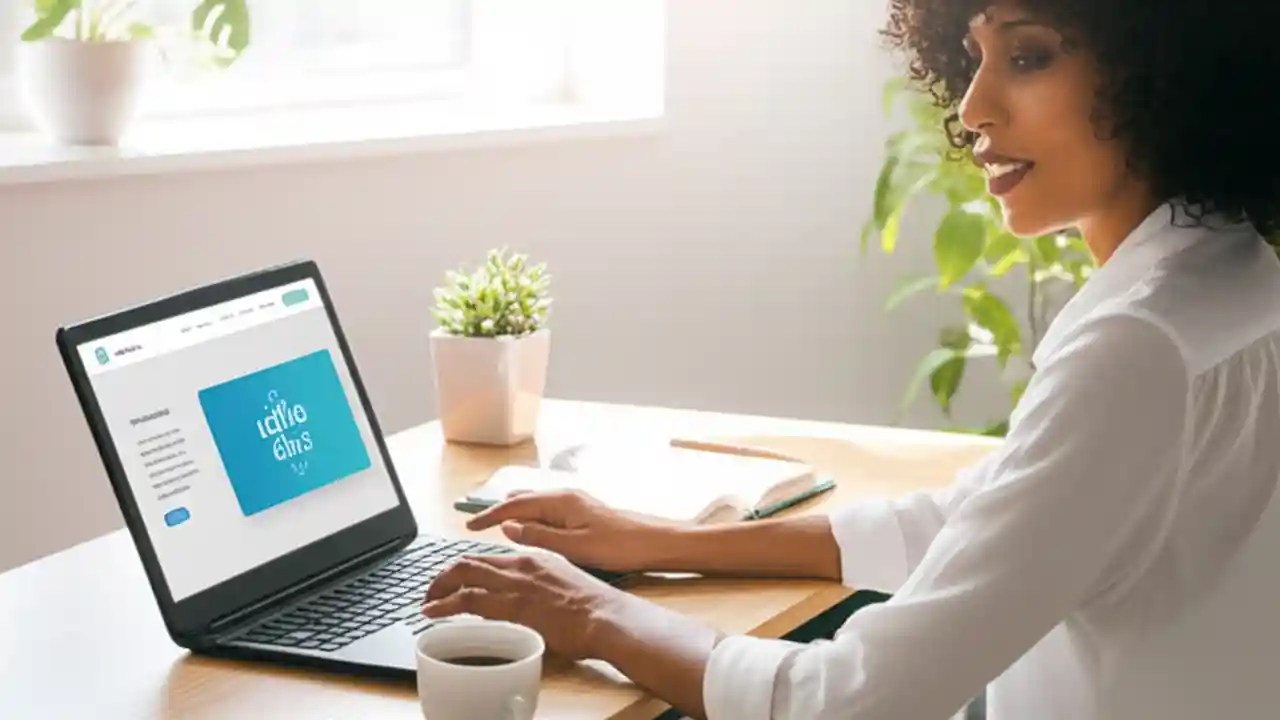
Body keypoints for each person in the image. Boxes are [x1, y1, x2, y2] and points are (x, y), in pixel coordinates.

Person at [422, 1, 1280, 717]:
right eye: (972, 57)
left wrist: (592, 614)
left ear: (1161, 67)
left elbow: (854, 701)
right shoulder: (1234, 282)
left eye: (1028, 56)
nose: (975, 107)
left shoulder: (1136, 349)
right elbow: (976, 524)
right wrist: (661, 539)